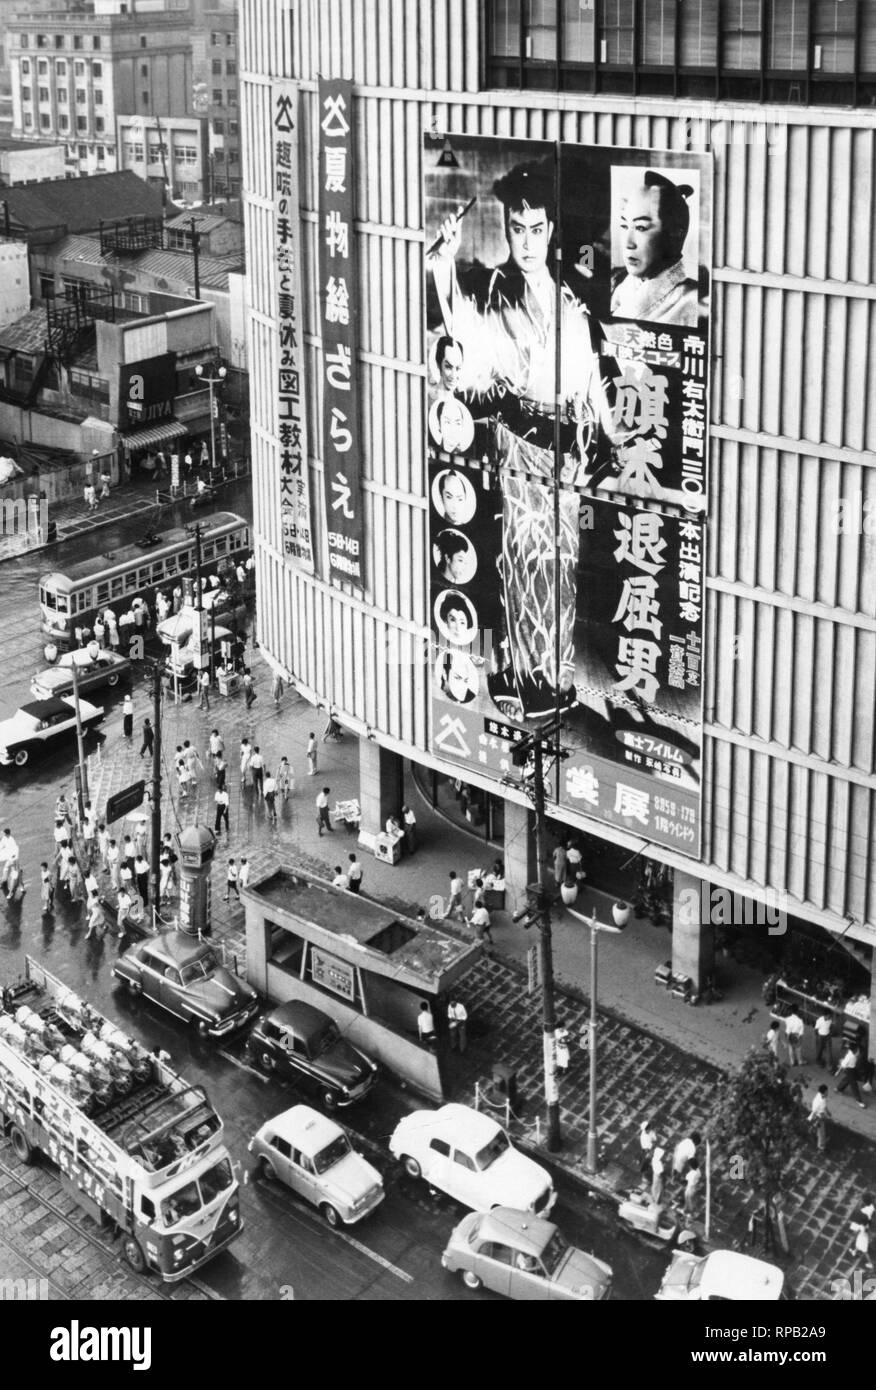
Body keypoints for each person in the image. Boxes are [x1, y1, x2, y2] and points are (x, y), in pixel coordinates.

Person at [429, 157, 611, 720]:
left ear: (551, 230)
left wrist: (604, 436)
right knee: (521, 557)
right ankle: (526, 674)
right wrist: (444, 268)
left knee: (557, 563)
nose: (527, 241)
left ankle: (552, 677)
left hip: (567, 444)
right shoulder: (493, 294)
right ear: (506, 229)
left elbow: (592, 374)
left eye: (537, 229)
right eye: (517, 228)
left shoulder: (575, 300)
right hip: (519, 441)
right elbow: (466, 337)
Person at [611, 169, 700, 327]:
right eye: (624, 226)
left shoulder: (693, 302)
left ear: (675, 233)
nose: (628, 243)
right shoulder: (622, 285)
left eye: (641, 228)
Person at [837, 1043, 866, 1108]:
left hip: (854, 1068)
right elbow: (843, 1065)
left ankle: (838, 1088)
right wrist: (841, 1064)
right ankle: (859, 1100)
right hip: (849, 1070)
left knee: (848, 1079)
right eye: (854, 1050)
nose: (856, 1051)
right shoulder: (849, 1057)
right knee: (854, 1084)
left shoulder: (856, 1050)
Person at [808, 1084, 830, 1153]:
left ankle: (817, 1137)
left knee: (819, 1130)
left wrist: (828, 1112)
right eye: (827, 1091)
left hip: (815, 1115)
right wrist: (824, 1118)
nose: (828, 1092)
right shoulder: (821, 1100)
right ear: (825, 1091)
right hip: (817, 1117)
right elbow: (821, 1114)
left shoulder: (820, 1096)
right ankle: (821, 1147)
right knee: (822, 1133)